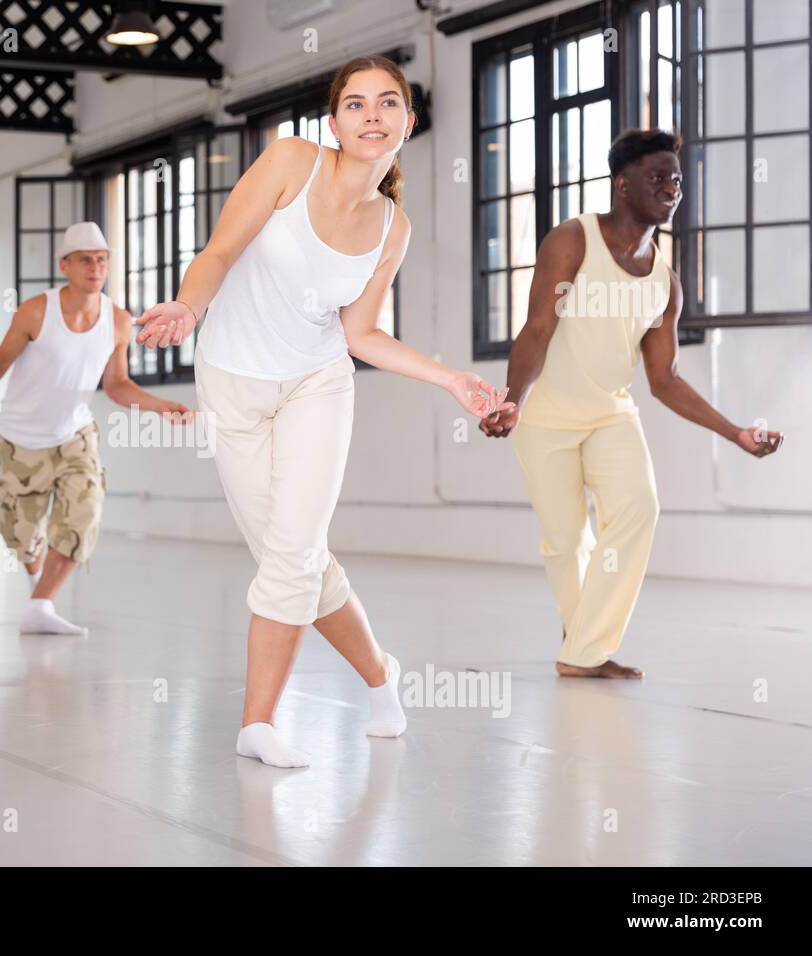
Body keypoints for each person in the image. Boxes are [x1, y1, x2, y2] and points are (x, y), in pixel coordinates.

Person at [134, 56, 511, 768]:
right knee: (296, 559)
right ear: (333, 122)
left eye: (389, 103)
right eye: (357, 104)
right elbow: (218, 252)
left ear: (408, 119)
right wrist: (188, 307)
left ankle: (258, 724)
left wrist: (450, 380)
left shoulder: (392, 226)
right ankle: (381, 676)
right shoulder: (289, 162)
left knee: (293, 555)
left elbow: (360, 334)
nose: (373, 115)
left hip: (317, 383)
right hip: (232, 381)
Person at [480, 128, 784, 679]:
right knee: (567, 538)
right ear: (622, 184)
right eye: (656, 177)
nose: (670, 188)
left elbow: (663, 378)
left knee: (638, 511)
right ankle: (583, 651)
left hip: (610, 413)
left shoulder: (665, 282)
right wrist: (512, 402)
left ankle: (583, 653)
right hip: (544, 412)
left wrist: (736, 432)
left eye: (676, 180)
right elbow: (537, 329)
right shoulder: (572, 240)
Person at [0, 221, 192, 634]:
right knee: (18, 534)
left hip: (75, 434)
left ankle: (40, 606)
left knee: (84, 516)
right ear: (65, 265)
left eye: (102, 259)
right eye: (86, 260)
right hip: (21, 437)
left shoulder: (119, 321)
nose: (95, 267)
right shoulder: (36, 311)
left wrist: (158, 405)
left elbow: (117, 385)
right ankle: (38, 575)